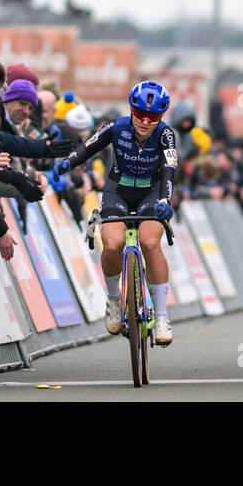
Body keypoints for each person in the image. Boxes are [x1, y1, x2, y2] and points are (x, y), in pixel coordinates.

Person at [51, 81, 178, 346]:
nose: (145, 121)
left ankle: (163, 315)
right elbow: (88, 148)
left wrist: (166, 199)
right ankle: (113, 301)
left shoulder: (166, 135)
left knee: (150, 242)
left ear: (161, 117)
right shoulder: (116, 127)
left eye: (152, 116)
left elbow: (168, 169)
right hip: (117, 192)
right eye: (139, 113)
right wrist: (67, 163)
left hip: (151, 194)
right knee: (112, 244)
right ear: (131, 109)